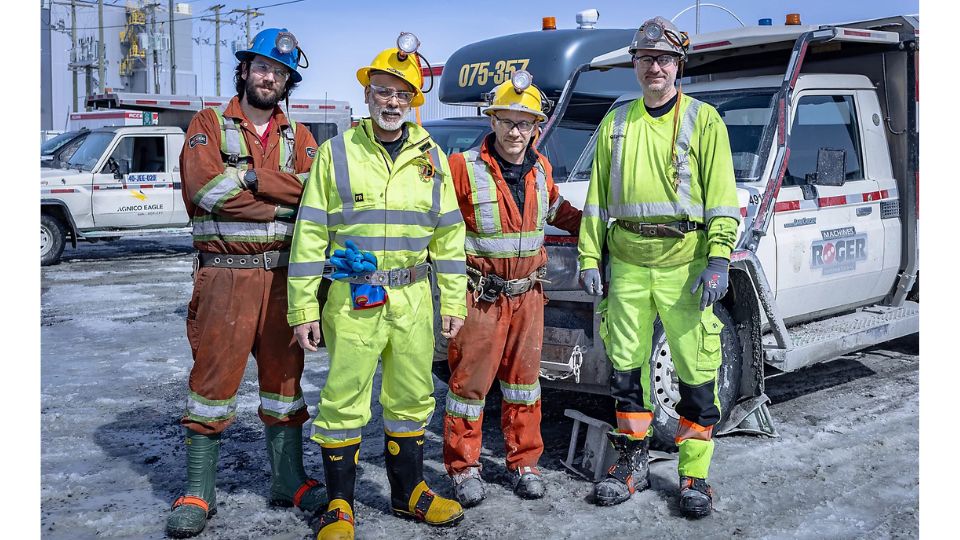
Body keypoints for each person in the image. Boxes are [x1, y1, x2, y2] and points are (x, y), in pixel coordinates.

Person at [286, 33, 468, 540]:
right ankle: (340, 506)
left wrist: (454, 301)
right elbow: (309, 235)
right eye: (384, 91)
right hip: (353, 298)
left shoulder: (431, 157)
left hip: (413, 298)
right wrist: (303, 309)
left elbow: (449, 236)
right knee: (344, 399)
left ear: (413, 101)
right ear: (367, 95)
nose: (392, 102)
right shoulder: (336, 153)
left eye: (402, 94)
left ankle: (409, 494)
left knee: (411, 397)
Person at [577, 16, 740, 519]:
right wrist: (589, 256)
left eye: (664, 59)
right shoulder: (616, 123)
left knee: (695, 373)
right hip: (627, 263)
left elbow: (723, 198)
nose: (655, 68)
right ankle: (631, 465)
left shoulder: (703, 120)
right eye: (646, 59)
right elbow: (596, 200)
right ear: (635, 65)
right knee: (626, 370)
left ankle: (694, 476)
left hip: (685, 265)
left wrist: (719, 258)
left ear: (678, 66)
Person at [167, 28, 324, 538]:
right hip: (225, 276)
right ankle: (198, 491)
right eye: (262, 67)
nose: (269, 77)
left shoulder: (300, 136)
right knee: (212, 383)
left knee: (285, 383)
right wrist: (281, 203)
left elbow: (316, 193)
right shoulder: (209, 124)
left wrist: (254, 179)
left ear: (287, 83)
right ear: (244, 70)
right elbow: (207, 191)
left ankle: (288, 480)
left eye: (279, 72)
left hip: (283, 279)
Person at [442, 72, 581, 507]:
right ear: (493, 121)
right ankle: (464, 468)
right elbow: (438, 225)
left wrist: (599, 230)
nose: (515, 131)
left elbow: (557, 210)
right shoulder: (463, 167)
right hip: (481, 296)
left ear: (537, 127)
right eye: (506, 121)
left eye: (524, 123)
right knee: (469, 386)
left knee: (524, 385)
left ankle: (524, 464)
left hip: (528, 295)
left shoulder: (541, 168)